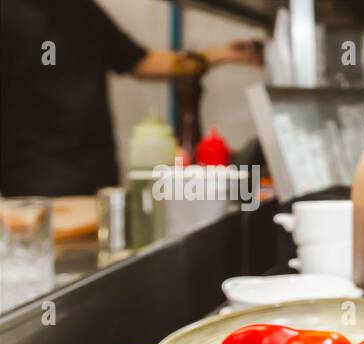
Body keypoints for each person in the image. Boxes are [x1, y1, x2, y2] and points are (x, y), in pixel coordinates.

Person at [0, 0, 260, 197]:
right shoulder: (9, 13)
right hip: (31, 185)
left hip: (96, 180)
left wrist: (218, 54)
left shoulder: (83, 11)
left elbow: (142, 62)